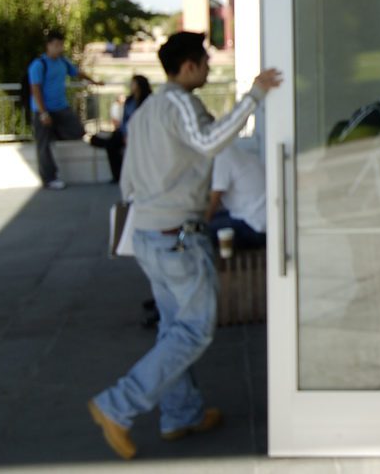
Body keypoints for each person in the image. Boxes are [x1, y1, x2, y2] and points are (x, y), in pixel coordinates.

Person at [87, 31, 282, 460]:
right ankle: (117, 406)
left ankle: (182, 414)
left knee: (172, 328)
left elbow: (129, 180)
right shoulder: (180, 103)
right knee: (194, 330)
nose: (210, 69)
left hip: (149, 235)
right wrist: (255, 96)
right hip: (177, 236)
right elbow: (211, 141)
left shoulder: (147, 110)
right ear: (188, 66)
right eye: (206, 63)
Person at [29, 30, 100, 190]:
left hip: (61, 108)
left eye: (61, 45)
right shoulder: (39, 65)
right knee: (44, 145)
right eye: (56, 45)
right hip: (43, 110)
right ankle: (49, 178)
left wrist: (93, 81)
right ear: (48, 45)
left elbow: (77, 73)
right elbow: (36, 89)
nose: (59, 49)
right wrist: (43, 112)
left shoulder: (63, 62)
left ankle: (54, 132)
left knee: (77, 131)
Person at [91, 75, 152, 183]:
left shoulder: (148, 101)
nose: (131, 85)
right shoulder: (129, 101)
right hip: (125, 133)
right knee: (112, 145)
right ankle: (117, 176)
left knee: (112, 145)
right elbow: (124, 120)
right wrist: (124, 133)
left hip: (140, 134)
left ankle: (101, 142)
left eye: (133, 83)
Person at [205, 144, 266, 250]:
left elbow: (213, 202)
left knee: (198, 233)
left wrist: (195, 226)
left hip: (255, 227)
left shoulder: (222, 157)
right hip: (261, 220)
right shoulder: (231, 152)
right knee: (213, 219)